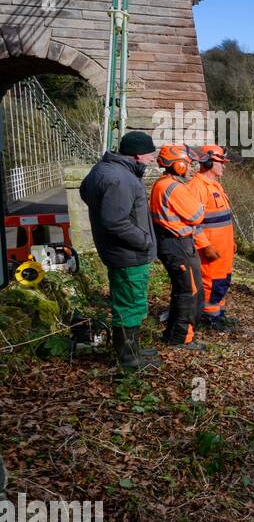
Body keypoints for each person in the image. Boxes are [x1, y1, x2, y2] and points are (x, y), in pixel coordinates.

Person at [79, 130, 160, 370]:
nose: (152, 158)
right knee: (130, 305)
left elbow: (86, 192)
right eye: (150, 154)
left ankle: (132, 351)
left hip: (119, 251)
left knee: (128, 302)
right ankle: (129, 361)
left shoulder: (103, 170)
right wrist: (144, 240)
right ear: (137, 155)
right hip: (129, 254)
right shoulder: (121, 179)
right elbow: (115, 222)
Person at [148, 143, 207, 348]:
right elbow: (197, 215)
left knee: (183, 290)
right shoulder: (174, 187)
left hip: (172, 245)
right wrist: (199, 207)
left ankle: (172, 334)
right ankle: (181, 338)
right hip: (178, 245)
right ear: (178, 165)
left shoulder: (162, 184)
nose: (192, 168)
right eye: (189, 164)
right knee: (189, 292)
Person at [192, 144, 237, 332]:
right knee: (210, 284)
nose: (224, 166)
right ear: (209, 162)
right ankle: (209, 319)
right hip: (211, 251)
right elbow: (193, 224)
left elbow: (222, 220)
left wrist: (231, 243)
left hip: (223, 250)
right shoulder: (197, 188)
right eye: (221, 162)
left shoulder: (215, 185)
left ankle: (218, 313)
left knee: (222, 282)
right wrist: (206, 246)